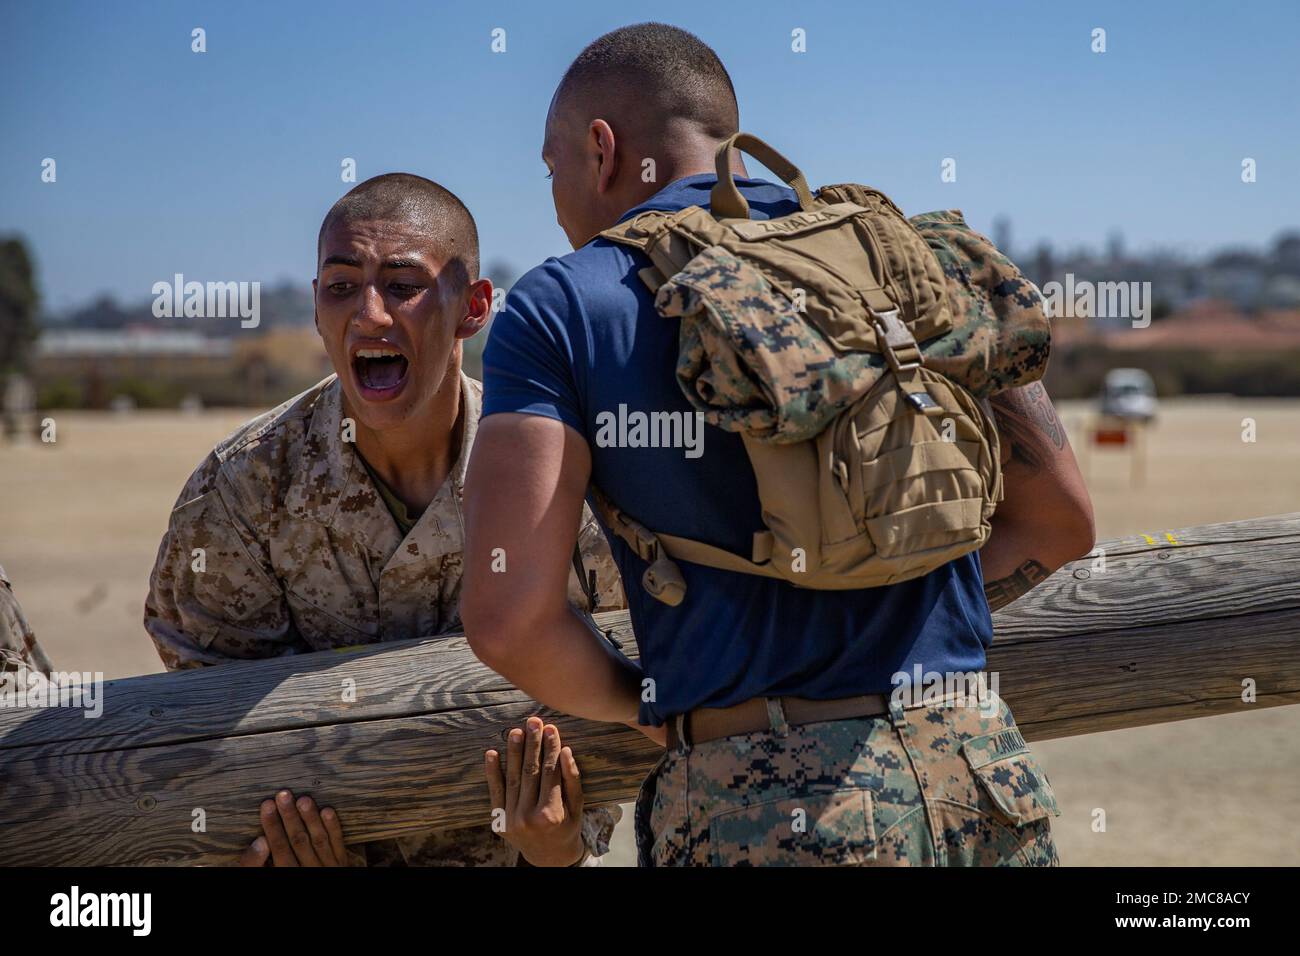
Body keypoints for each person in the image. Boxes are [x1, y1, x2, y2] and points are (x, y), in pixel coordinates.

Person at [461, 23, 1095, 866]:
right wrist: (881, 616)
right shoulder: (899, 252)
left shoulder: (559, 309)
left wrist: (650, 701)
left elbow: (508, 621)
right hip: (980, 775)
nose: (555, 196)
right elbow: (1061, 523)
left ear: (601, 149)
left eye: (552, 169)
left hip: (765, 809)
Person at [145, 173, 623, 867]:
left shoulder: (555, 480)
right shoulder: (244, 488)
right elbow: (200, 720)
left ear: (474, 307)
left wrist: (561, 847)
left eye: (402, 285)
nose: (368, 315)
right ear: (316, 308)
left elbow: (621, 679)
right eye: (341, 287)